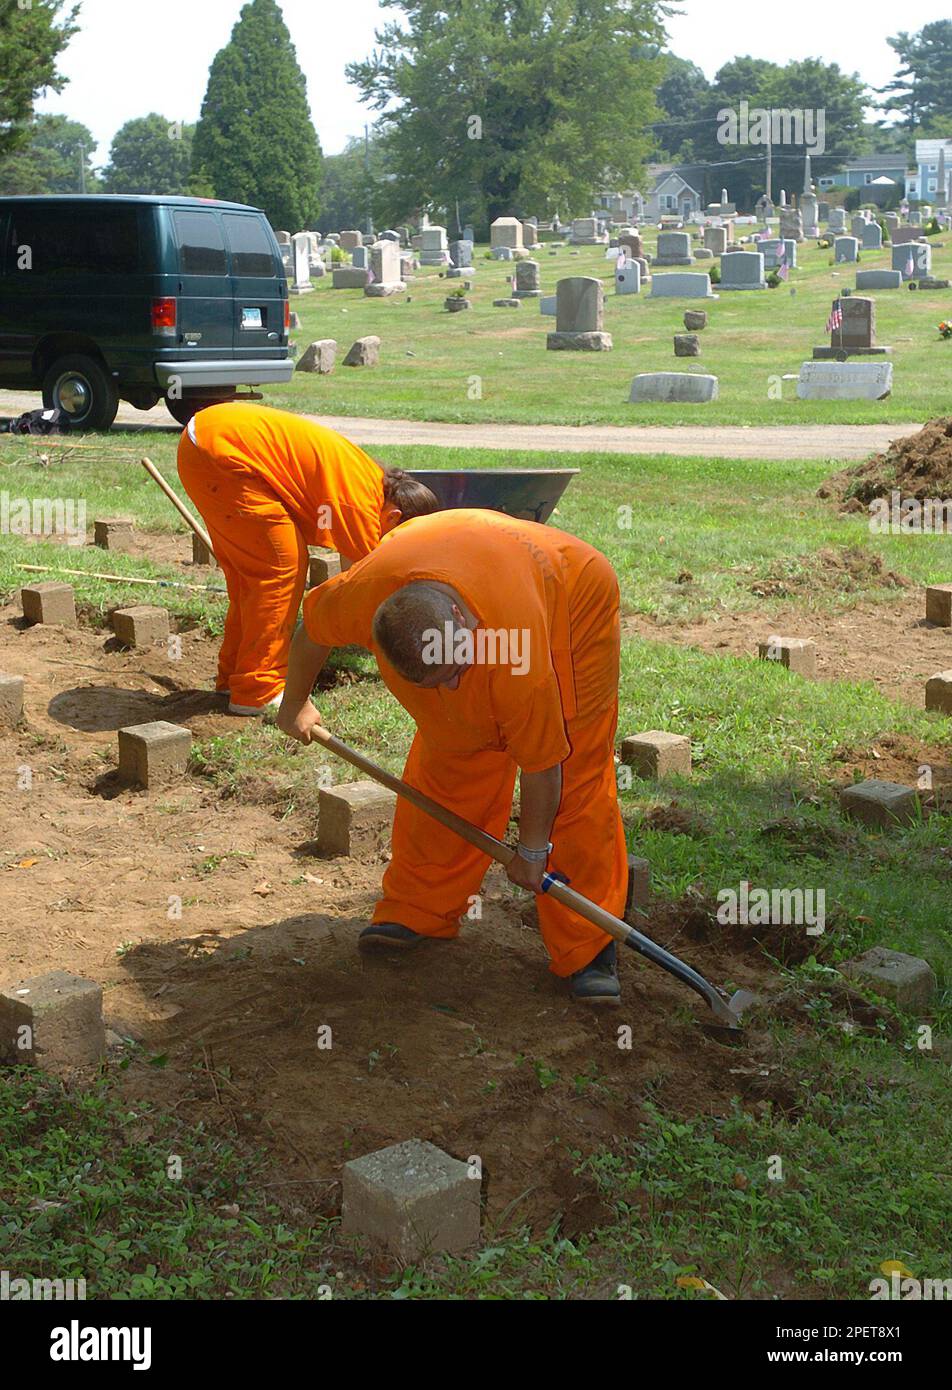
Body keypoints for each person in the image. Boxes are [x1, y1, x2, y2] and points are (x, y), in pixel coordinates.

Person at [276, 507, 628, 1004]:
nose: (458, 685)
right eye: (440, 681)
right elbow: (312, 629)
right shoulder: (364, 596)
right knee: (453, 753)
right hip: (446, 553)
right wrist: (294, 704)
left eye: (459, 668)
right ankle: (418, 907)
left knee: (575, 773)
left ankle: (587, 941)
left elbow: (542, 763)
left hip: (574, 594)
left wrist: (532, 852)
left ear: (462, 624)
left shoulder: (517, 651)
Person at [177, 402, 439, 714]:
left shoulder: (371, 483)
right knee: (278, 570)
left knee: (250, 579)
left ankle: (234, 678)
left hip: (207, 440)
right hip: (224, 455)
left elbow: (351, 580)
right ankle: (258, 690)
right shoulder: (362, 510)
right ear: (394, 516)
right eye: (400, 539)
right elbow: (364, 590)